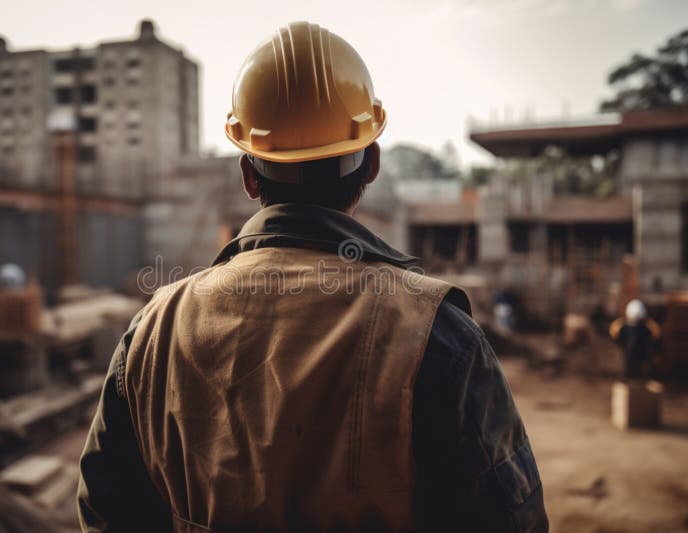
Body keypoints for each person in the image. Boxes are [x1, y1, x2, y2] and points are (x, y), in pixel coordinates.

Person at [78, 21, 547, 532]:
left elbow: (106, 515)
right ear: (371, 162)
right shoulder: (435, 335)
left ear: (249, 175)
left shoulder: (152, 334)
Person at [610, 299, 661, 379]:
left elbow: (655, 336)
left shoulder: (648, 326)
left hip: (640, 351)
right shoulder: (621, 325)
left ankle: (639, 371)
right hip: (629, 351)